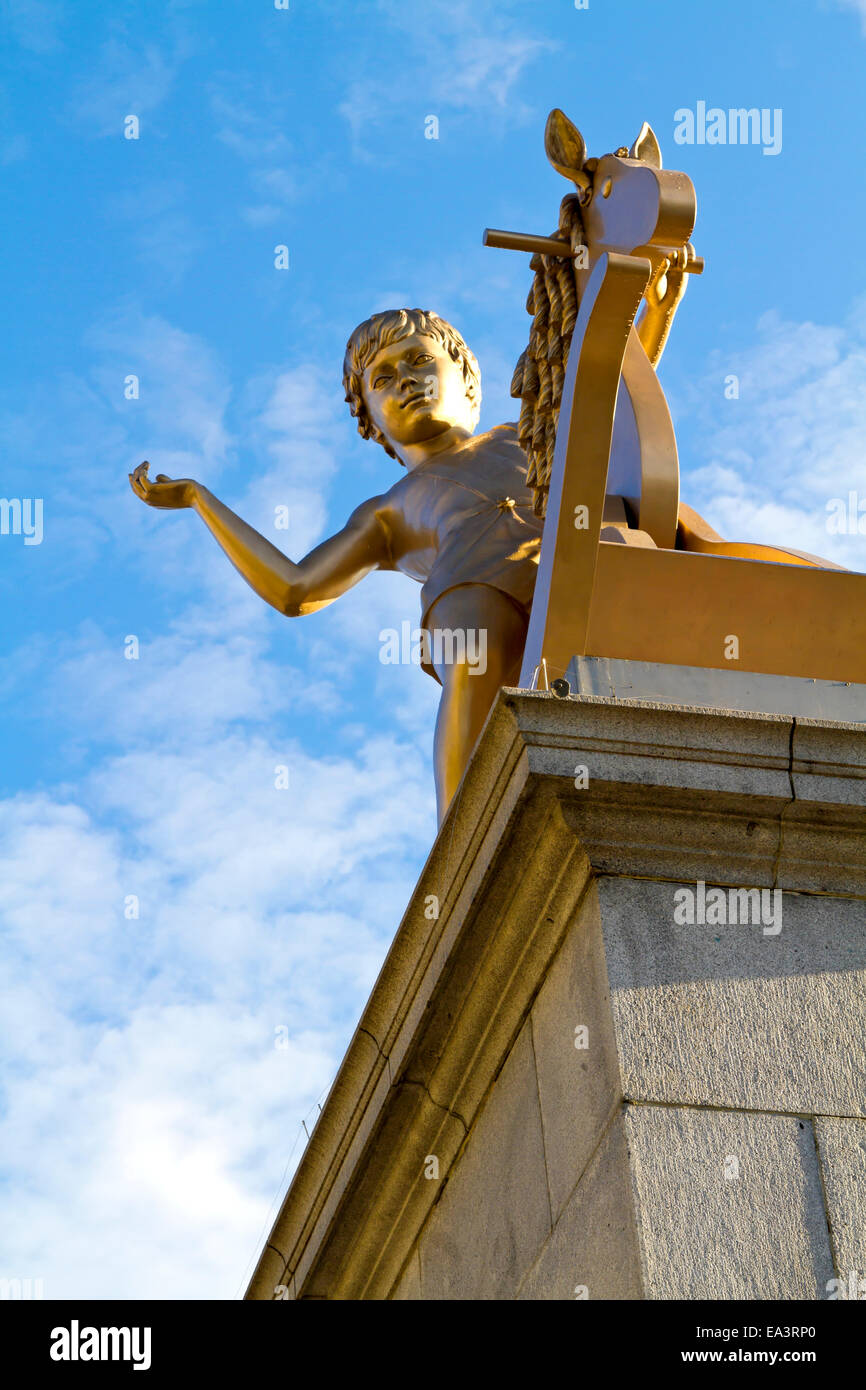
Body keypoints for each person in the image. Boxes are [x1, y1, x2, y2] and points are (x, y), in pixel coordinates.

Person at [130, 308, 544, 824]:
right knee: (471, 638)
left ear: (466, 375)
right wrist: (198, 497)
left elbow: (609, 399)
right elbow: (295, 589)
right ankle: (463, 837)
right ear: (370, 420)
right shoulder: (387, 511)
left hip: (577, 554)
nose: (408, 381)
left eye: (420, 360)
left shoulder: (528, 433)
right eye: (384, 378)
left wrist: (654, 305)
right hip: (476, 593)